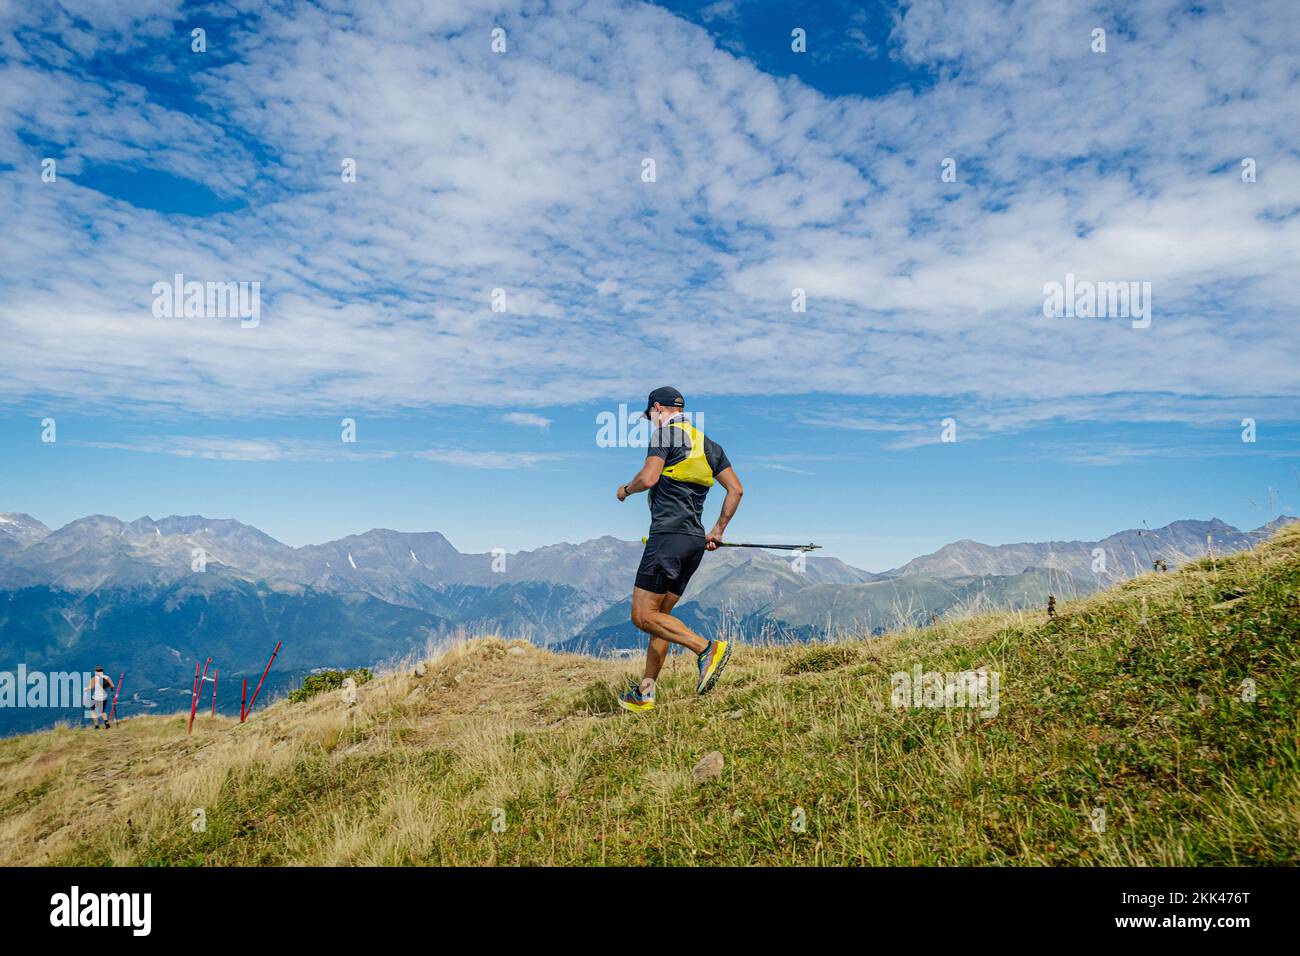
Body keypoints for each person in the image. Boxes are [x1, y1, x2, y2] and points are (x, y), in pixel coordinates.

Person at [614, 386, 743, 712]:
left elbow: (649, 477)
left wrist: (626, 490)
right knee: (661, 617)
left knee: (643, 616)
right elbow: (736, 490)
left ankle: (706, 649)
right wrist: (717, 531)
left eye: (650, 415)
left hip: (667, 539)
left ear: (657, 407)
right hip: (694, 542)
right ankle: (645, 692)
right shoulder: (709, 445)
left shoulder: (665, 435)